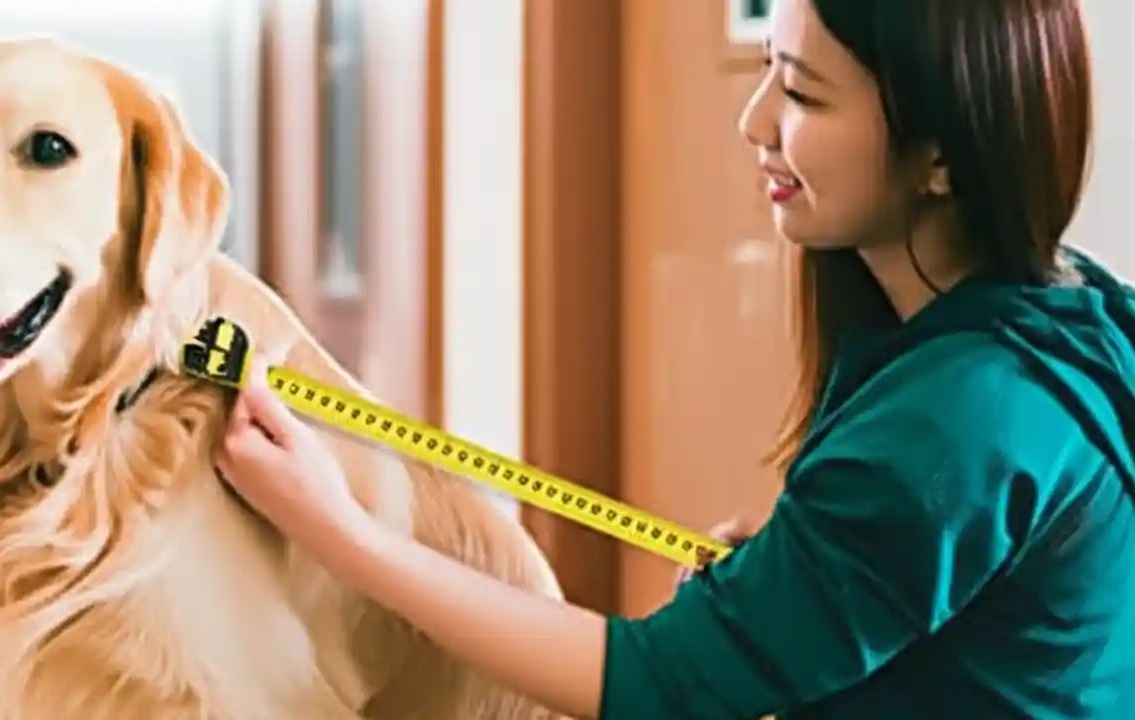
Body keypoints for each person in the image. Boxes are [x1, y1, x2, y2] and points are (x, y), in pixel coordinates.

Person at [214, 0, 1135, 717]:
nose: (754, 118)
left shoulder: (960, 420)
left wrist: (340, 531)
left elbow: (654, 690)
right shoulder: (1072, 307)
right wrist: (798, 582)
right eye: (770, 69)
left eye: (805, 94)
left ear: (941, 154)